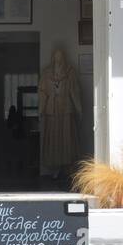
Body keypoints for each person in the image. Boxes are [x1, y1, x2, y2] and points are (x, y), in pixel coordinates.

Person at [38, 48, 80, 178]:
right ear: (53, 57)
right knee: (53, 138)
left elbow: (74, 91)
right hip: (52, 110)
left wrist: (79, 109)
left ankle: (68, 167)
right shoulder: (46, 73)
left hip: (66, 109)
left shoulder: (70, 72)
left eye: (61, 56)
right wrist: (41, 109)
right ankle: (55, 168)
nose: (58, 58)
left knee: (67, 137)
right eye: (56, 56)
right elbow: (42, 92)